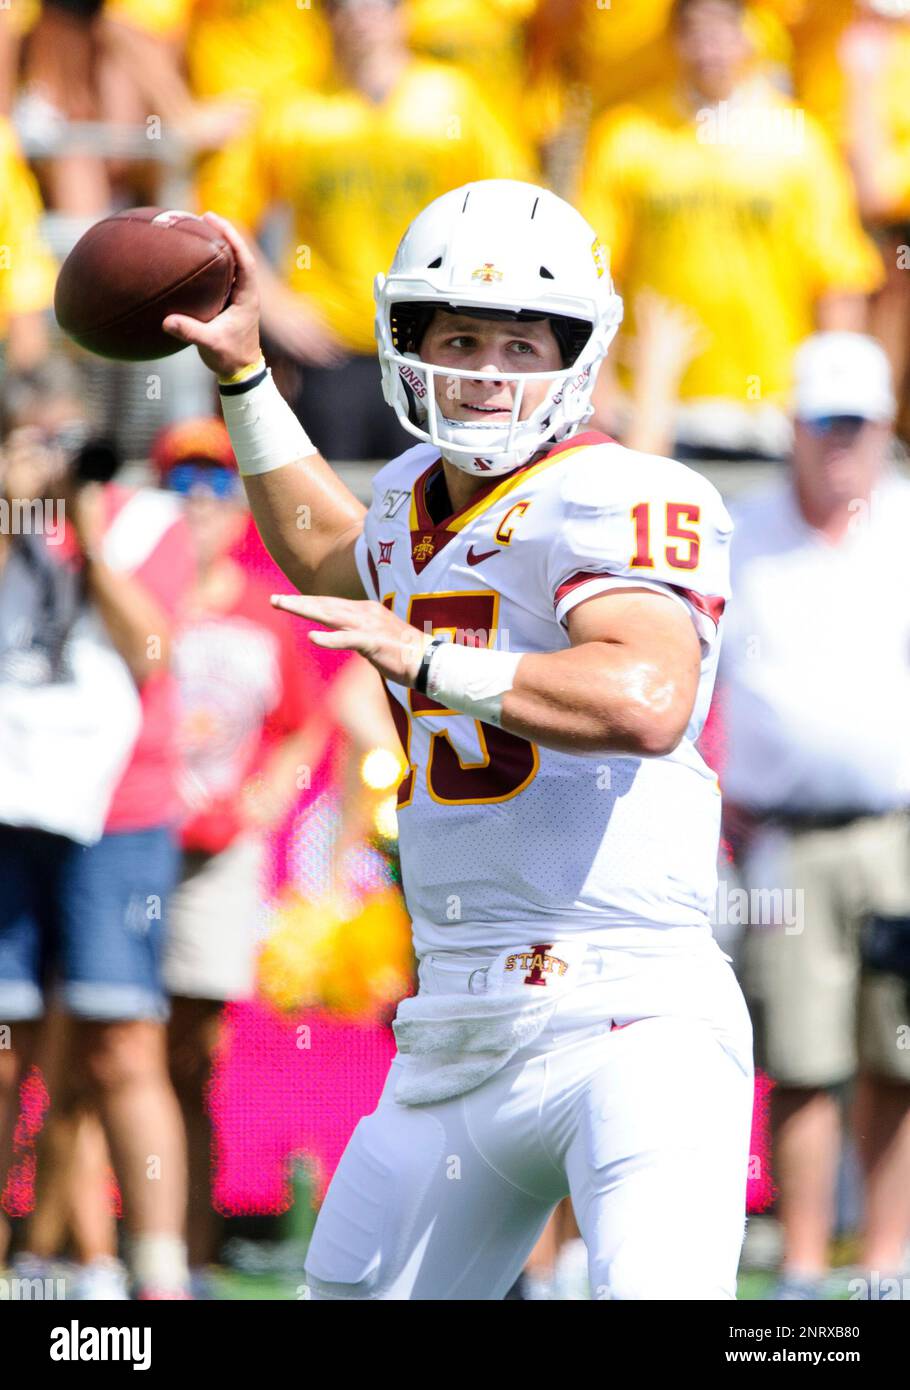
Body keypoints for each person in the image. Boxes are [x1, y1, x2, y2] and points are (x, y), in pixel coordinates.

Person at [162, 178, 754, 1301]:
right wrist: (242, 375)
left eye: (519, 343)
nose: (487, 368)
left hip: (630, 1010)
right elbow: (329, 550)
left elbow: (645, 695)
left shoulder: (619, 491)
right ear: (405, 343)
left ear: (571, 355)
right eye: (460, 336)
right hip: (453, 1024)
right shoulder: (401, 496)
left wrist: (431, 661)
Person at [720, 331, 910, 1299]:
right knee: (798, 1055)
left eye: (857, 425)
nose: (840, 444)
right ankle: (800, 1268)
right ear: (793, 427)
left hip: (896, 833)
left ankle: (883, 1265)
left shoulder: (906, 526)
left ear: (882, 430)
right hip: (780, 836)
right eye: (824, 424)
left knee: (897, 1053)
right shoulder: (739, 531)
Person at [0, 366, 197, 1300]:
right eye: (35, 440)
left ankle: (155, 1272)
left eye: (66, 439)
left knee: (122, 1041)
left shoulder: (148, 522)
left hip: (117, 814)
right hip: (8, 806)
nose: (55, 460)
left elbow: (152, 653)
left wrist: (82, 535)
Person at [152, 418, 332, 1291]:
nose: (197, 505)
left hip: (216, 857)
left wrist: (272, 789)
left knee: (193, 1055)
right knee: (100, 1051)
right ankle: (71, 1260)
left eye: (217, 486)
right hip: (123, 844)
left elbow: (308, 720)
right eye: (179, 486)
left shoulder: (264, 613)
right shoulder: (124, 593)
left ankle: (186, 1254)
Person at [197, 0, 535, 461]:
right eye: (344, 6)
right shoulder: (294, 109)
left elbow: (515, 206)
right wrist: (273, 305)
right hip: (331, 350)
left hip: (430, 347)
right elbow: (221, 212)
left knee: (434, 506)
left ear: (402, 12)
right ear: (326, 16)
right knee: (335, 507)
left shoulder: (454, 101)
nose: (360, 16)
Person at [575, 0, 882, 460]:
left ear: (748, 38)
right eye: (695, 33)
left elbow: (839, 280)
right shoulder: (627, 138)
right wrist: (599, 381)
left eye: (721, 32)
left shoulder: (799, 141)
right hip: (659, 407)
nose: (708, 49)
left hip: (772, 411)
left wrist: (834, 394)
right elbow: (595, 274)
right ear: (674, 42)